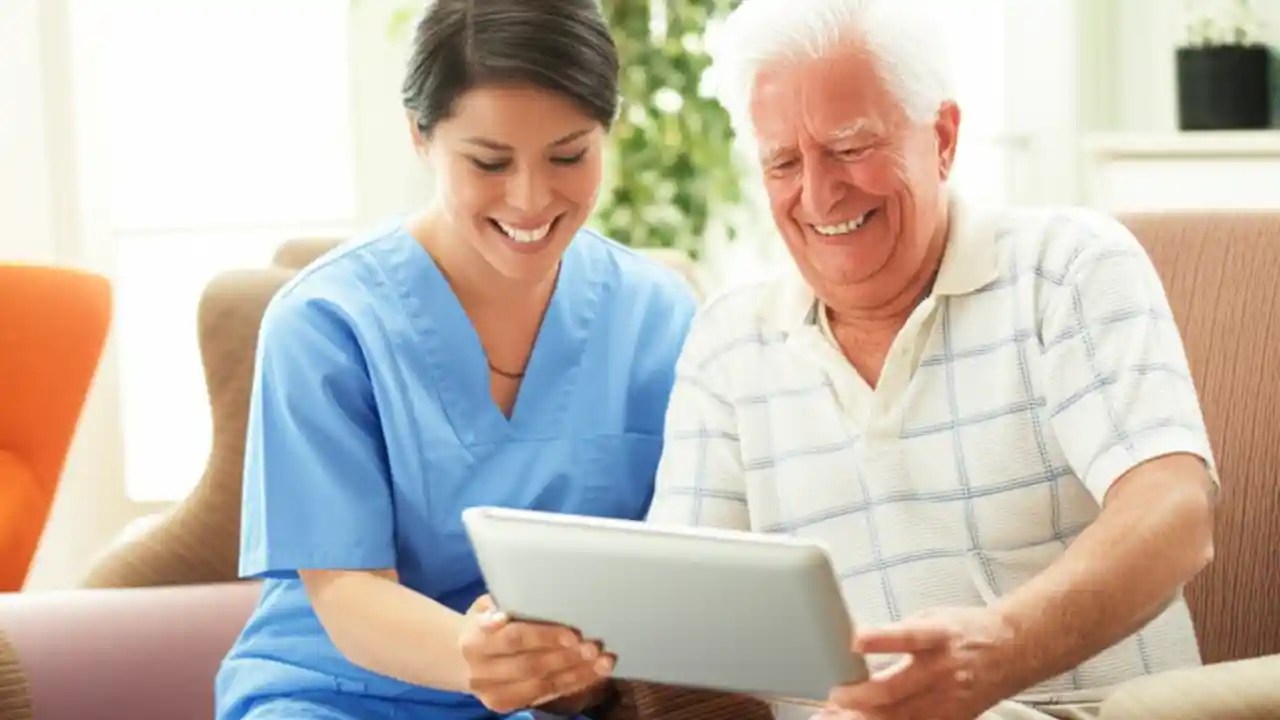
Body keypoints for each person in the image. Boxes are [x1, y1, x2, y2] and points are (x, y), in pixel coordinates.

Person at [646, 1, 1218, 719]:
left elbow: (1175, 513)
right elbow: (680, 605)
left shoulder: (1066, 269)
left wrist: (998, 651)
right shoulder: (728, 342)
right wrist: (573, 660)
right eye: (784, 163)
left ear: (942, 137)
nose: (819, 194)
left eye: (851, 147)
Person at [213, 1, 696, 718]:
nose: (530, 199)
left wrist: (572, 675)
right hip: (337, 696)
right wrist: (481, 658)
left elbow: (686, 564)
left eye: (568, 156)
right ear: (420, 134)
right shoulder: (325, 323)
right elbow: (345, 590)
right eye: (489, 162)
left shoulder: (660, 318)